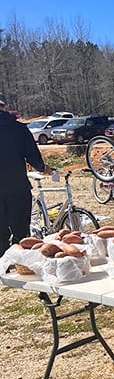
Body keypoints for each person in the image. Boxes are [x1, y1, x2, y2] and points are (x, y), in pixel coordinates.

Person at [0, 93, 51, 256]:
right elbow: (33, 156)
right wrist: (43, 168)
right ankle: (21, 263)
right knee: (21, 233)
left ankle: (2, 268)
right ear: (4, 106)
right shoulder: (19, 129)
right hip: (17, 187)